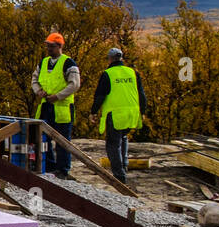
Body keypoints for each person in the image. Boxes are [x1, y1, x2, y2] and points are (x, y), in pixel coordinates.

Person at [92, 47, 146, 184]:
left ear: (110, 59)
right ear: (121, 58)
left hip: (115, 114)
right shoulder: (132, 72)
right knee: (123, 136)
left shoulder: (108, 74)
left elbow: (100, 96)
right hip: (131, 113)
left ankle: (119, 175)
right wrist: (143, 111)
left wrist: (93, 112)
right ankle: (124, 164)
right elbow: (141, 94)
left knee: (113, 143)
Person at [31, 32, 80, 179]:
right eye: (47, 46)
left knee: (63, 140)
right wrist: (38, 91)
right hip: (46, 106)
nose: (48, 49)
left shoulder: (68, 63)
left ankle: (62, 169)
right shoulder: (43, 62)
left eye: (51, 46)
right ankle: (50, 166)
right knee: (43, 137)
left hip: (63, 107)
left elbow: (74, 84)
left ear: (59, 46)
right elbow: (34, 79)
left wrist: (58, 96)